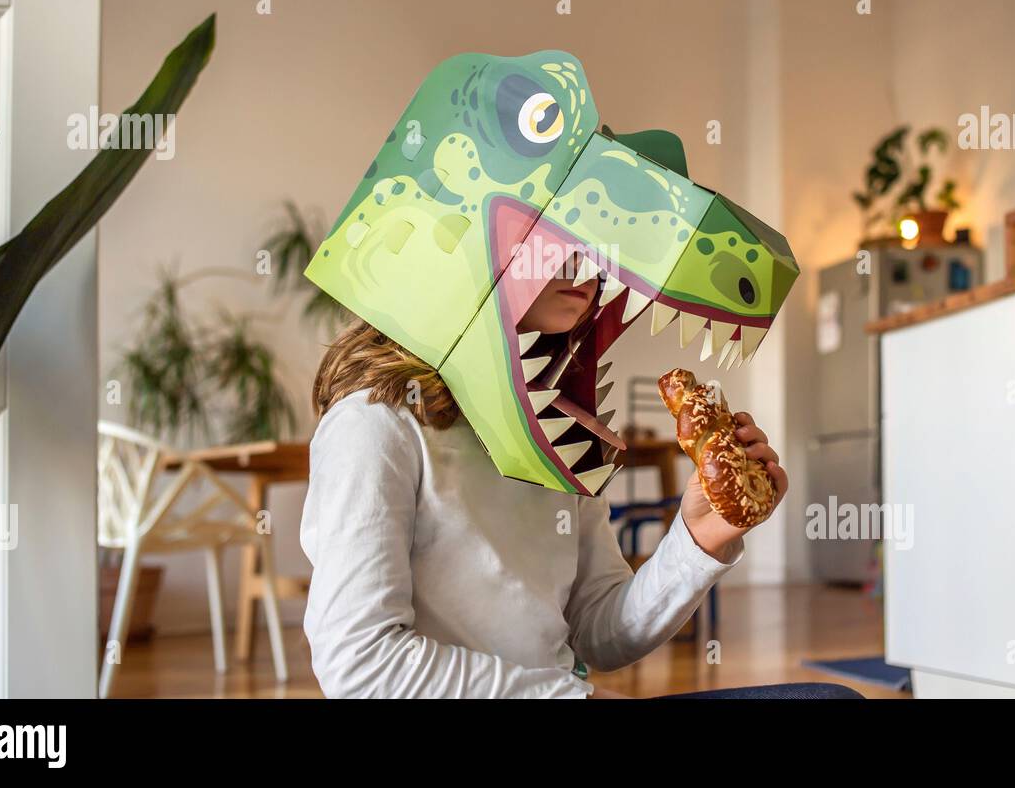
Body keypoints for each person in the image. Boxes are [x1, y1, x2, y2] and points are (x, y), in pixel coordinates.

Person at [299, 252, 855, 698]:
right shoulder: (374, 425)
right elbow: (360, 664)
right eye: (555, 239)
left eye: (596, 248)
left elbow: (598, 634)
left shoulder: (556, 428)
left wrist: (700, 540)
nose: (584, 266)